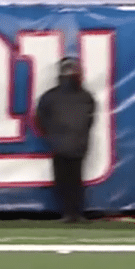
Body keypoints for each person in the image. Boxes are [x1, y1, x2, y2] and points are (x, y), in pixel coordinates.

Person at [34, 56, 96, 223]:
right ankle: (72, 212)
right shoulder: (85, 96)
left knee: (69, 180)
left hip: (68, 146)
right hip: (72, 145)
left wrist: (53, 137)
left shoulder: (53, 96)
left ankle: (71, 213)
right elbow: (40, 119)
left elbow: (40, 119)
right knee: (71, 180)